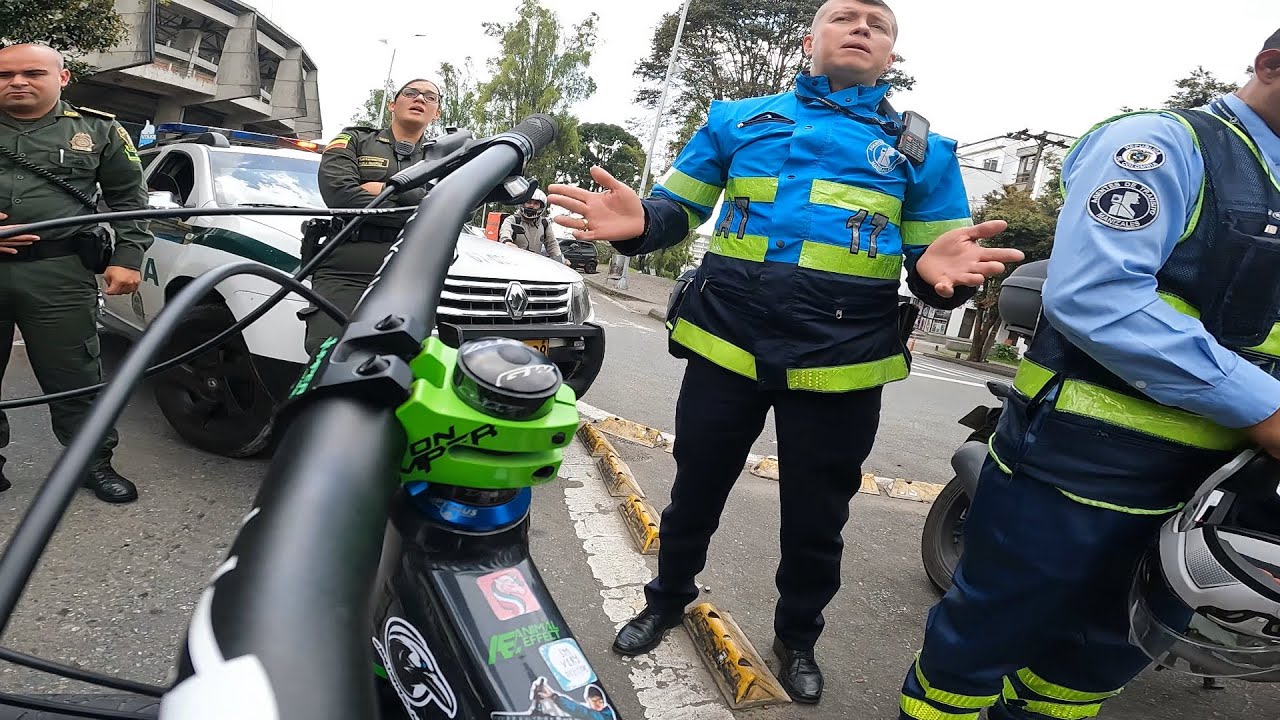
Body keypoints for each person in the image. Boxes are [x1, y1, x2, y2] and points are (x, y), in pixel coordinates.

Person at [548, 0, 1020, 704]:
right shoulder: (733, 119)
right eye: (845, 17)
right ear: (810, 40)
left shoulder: (926, 151)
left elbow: (939, 261)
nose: (862, 27)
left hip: (844, 361)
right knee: (694, 494)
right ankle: (666, 597)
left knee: (816, 519)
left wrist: (938, 281)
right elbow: (675, 209)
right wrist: (641, 222)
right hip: (726, 343)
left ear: (892, 56)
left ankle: (797, 638)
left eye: (878, 23)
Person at [898, 30, 1280, 720]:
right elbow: (1097, 295)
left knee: (1107, 653)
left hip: (1224, 483)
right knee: (981, 641)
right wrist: (1265, 409)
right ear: (1270, 67)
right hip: (1081, 461)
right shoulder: (1164, 146)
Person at [0, 43, 153, 504]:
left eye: (32, 72)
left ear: (62, 79)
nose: (18, 81)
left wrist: (128, 256)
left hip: (59, 274)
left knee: (75, 375)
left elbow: (130, 200)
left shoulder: (100, 131)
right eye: (5, 74)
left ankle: (92, 463)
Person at [306, 78, 443, 354]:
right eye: (411, 93)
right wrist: (424, 200)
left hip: (413, 273)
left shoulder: (445, 158)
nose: (420, 99)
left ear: (437, 112)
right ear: (393, 104)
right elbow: (341, 196)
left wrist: (382, 189)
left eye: (430, 97)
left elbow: (456, 207)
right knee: (328, 354)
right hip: (347, 268)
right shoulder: (354, 140)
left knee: (402, 361)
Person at [500, 189, 568, 264]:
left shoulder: (544, 223)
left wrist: (560, 259)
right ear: (522, 203)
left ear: (541, 206)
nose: (531, 206)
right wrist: (507, 242)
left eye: (536, 203)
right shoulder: (513, 219)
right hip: (513, 262)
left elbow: (552, 243)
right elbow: (505, 231)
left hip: (535, 264)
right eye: (528, 202)